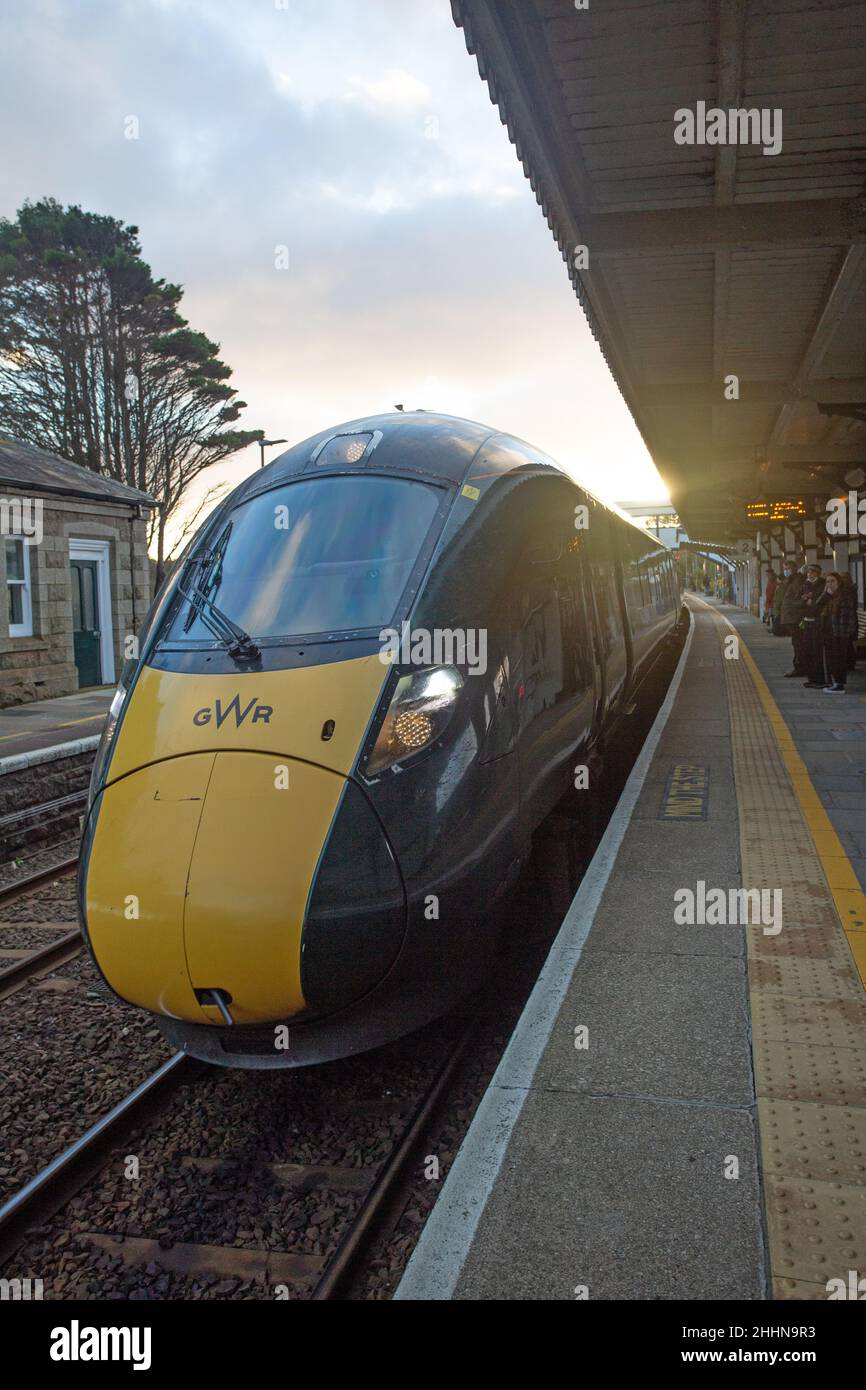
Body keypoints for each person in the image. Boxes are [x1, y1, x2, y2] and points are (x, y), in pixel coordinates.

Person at [818, 572, 858, 693]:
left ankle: (839, 684)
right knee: (831, 658)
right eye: (828, 581)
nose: (830, 584)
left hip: (839, 633)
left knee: (838, 659)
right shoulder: (829, 595)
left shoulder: (844, 595)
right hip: (828, 631)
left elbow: (846, 618)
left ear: (839, 582)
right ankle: (834, 682)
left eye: (832, 581)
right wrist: (825, 594)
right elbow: (817, 606)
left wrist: (842, 635)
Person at [799, 564, 827, 688]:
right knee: (808, 650)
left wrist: (812, 600)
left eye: (812, 572)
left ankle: (820, 679)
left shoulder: (823, 584)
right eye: (808, 572)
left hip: (818, 621)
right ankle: (811, 678)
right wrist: (803, 600)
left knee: (817, 651)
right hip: (807, 620)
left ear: (818, 573)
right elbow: (796, 601)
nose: (809, 574)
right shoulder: (805, 584)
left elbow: (823, 600)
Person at [780, 561, 809, 672]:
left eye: (788, 568)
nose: (786, 571)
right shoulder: (791, 580)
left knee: (798, 643)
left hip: (795, 617)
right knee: (797, 643)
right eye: (785, 568)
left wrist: (792, 605)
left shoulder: (797, 581)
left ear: (795, 568)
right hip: (791, 617)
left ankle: (800, 667)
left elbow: (800, 599)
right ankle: (799, 666)